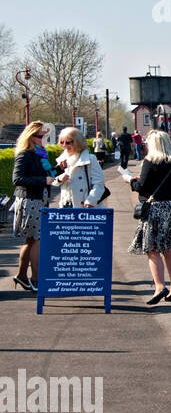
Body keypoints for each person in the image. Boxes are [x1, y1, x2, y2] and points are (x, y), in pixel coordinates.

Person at [128, 129, 171, 305]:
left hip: (158, 209)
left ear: (152, 144)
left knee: (152, 250)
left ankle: (159, 286)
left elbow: (142, 186)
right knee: (170, 249)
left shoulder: (150, 161)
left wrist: (130, 181)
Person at [9, 122, 60, 292]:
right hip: (30, 201)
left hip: (37, 199)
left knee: (31, 241)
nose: (43, 139)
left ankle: (22, 276)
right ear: (31, 137)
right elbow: (17, 179)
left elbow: (46, 174)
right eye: (40, 136)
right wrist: (42, 181)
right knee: (37, 240)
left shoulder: (40, 154)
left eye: (45, 136)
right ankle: (36, 280)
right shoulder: (25, 155)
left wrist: (59, 169)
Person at [54, 127, 107, 208]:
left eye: (68, 142)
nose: (64, 145)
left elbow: (99, 183)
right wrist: (59, 179)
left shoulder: (90, 159)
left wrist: (91, 201)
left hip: (86, 206)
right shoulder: (62, 159)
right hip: (66, 205)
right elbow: (53, 181)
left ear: (77, 142)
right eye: (62, 142)